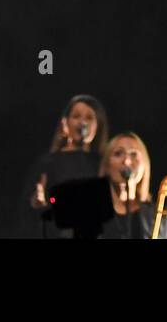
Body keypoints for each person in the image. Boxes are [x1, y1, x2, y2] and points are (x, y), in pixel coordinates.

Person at [24, 94, 108, 238]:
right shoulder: (49, 162)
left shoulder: (103, 163)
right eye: (76, 116)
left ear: (98, 125)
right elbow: (43, 202)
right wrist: (41, 202)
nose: (83, 123)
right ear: (65, 123)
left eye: (89, 118)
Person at [98, 132, 154, 239]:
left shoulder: (160, 215)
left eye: (134, 154)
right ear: (106, 167)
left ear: (144, 165)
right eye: (118, 153)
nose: (127, 161)